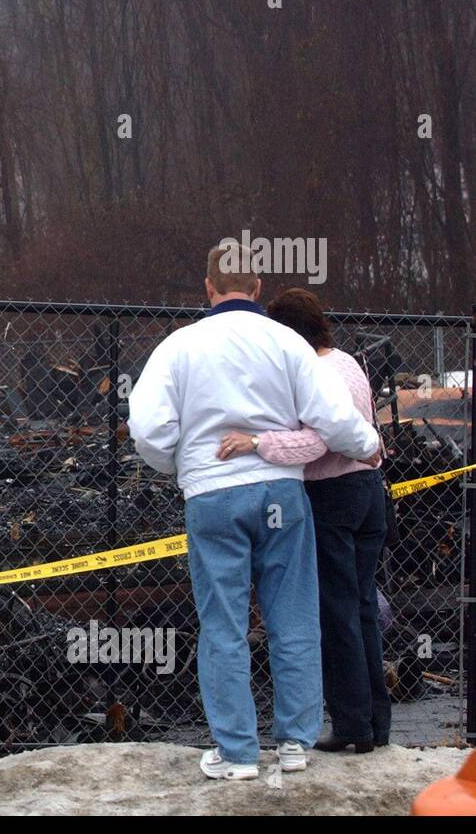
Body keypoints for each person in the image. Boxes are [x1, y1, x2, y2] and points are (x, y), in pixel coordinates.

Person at [128, 242, 379, 781]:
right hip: (281, 495)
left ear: (208, 287)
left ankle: (237, 751)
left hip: (212, 495)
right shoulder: (286, 342)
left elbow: (148, 429)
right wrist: (367, 445)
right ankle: (294, 743)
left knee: (222, 623)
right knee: (292, 617)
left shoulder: (179, 346)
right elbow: (332, 417)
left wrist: (183, 465)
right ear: (259, 287)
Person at [215, 288, 390, 753]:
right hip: (371, 494)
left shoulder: (312, 371)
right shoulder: (349, 362)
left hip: (333, 497)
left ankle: (353, 724)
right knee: (362, 609)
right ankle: (376, 721)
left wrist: (258, 444)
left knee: (337, 614)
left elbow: (319, 443)